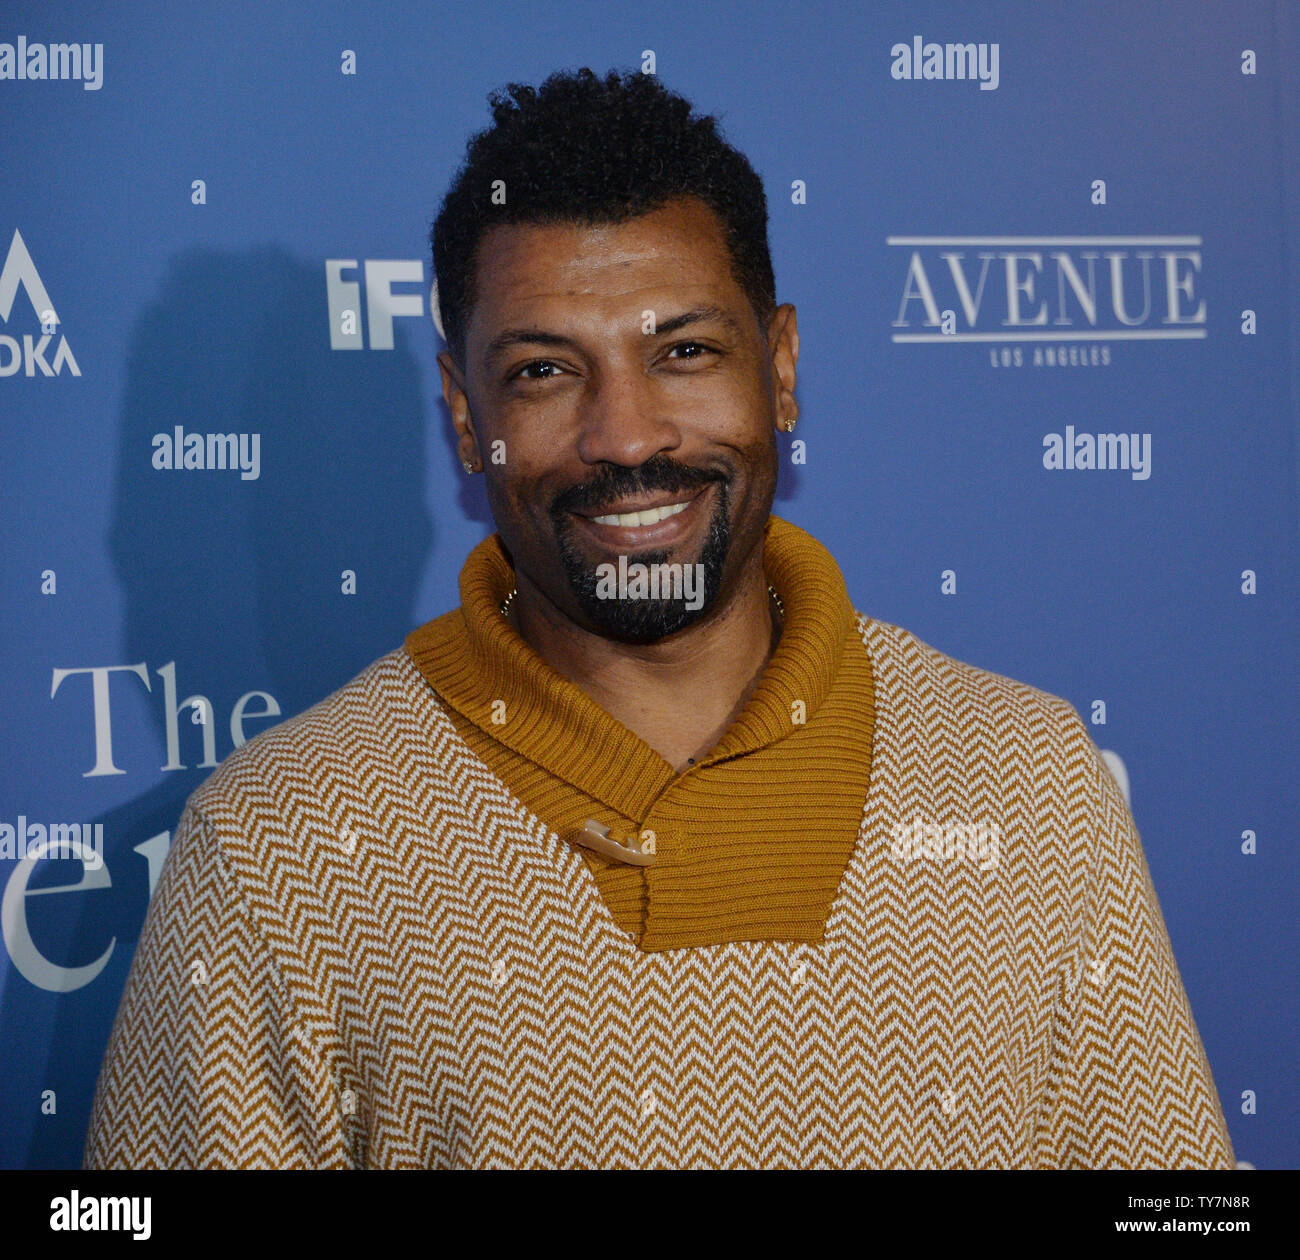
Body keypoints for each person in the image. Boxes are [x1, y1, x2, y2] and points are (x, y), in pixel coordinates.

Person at [84, 67, 1235, 1169]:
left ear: (779, 368)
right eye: (544, 372)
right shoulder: (281, 843)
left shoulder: (1027, 781)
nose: (626, 437)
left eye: (683, 352)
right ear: (461, 412)